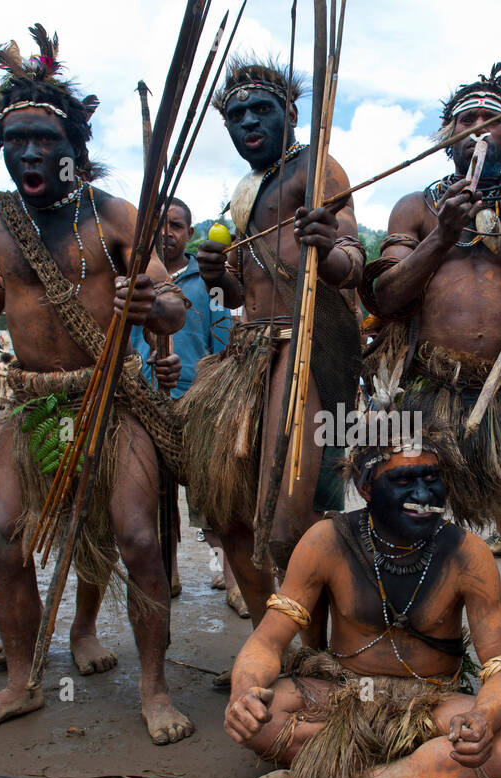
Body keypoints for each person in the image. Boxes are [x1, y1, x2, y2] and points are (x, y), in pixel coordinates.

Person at [0, 25, 190, 741]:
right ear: (1, 144)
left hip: (106, 402)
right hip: (31, 403)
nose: (30, 152)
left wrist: (149, 305)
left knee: (139, 536)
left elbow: (172, 299)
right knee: (0, 533)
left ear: (71, 148)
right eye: (16, 138)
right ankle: (21, 682)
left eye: (44, 139)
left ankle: (154, 689)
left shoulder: (113, 215)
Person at [362, 63, 501, 712]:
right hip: (427, 395)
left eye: (492, 118)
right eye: (466, 118)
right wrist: (442, 235)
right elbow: (386, 296)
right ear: (446, 137)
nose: (479, 128)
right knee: (412, 526)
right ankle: (421, 656)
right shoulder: (416, 207)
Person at [224, 398, 501, 778]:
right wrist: (245, 692)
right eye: (405, 481)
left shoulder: (469, 555)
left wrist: (483, 718)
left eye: (433, 478)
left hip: (432, 706)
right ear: (366, 487)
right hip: (341, 694)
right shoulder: (327, 541)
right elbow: (268, 641)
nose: (424, 495)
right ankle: (416, 775)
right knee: (258, 721)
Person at [186, 58, 364, 629]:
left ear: (290, 113)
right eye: (235, 116)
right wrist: (216, 273)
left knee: (291, 523)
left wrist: (328, 248)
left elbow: (355, 262)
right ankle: (276, 637)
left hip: (306, 350)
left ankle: (316, 650)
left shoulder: (318, 168)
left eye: (260, 110)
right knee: (229, 509)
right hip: (248, 354)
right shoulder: (245, 191)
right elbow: (240, 289)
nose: (248, 123)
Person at [130, 196, 247, 616]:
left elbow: (223, 338)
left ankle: (234, 580)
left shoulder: (206, 279)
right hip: (144, 401)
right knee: (150, 499)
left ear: (190, 231)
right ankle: (168, 574)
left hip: (198, 401)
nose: (167, 232)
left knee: (216, 499)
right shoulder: (134, 277)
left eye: (176, 224)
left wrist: (215, 393)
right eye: (159, 224)